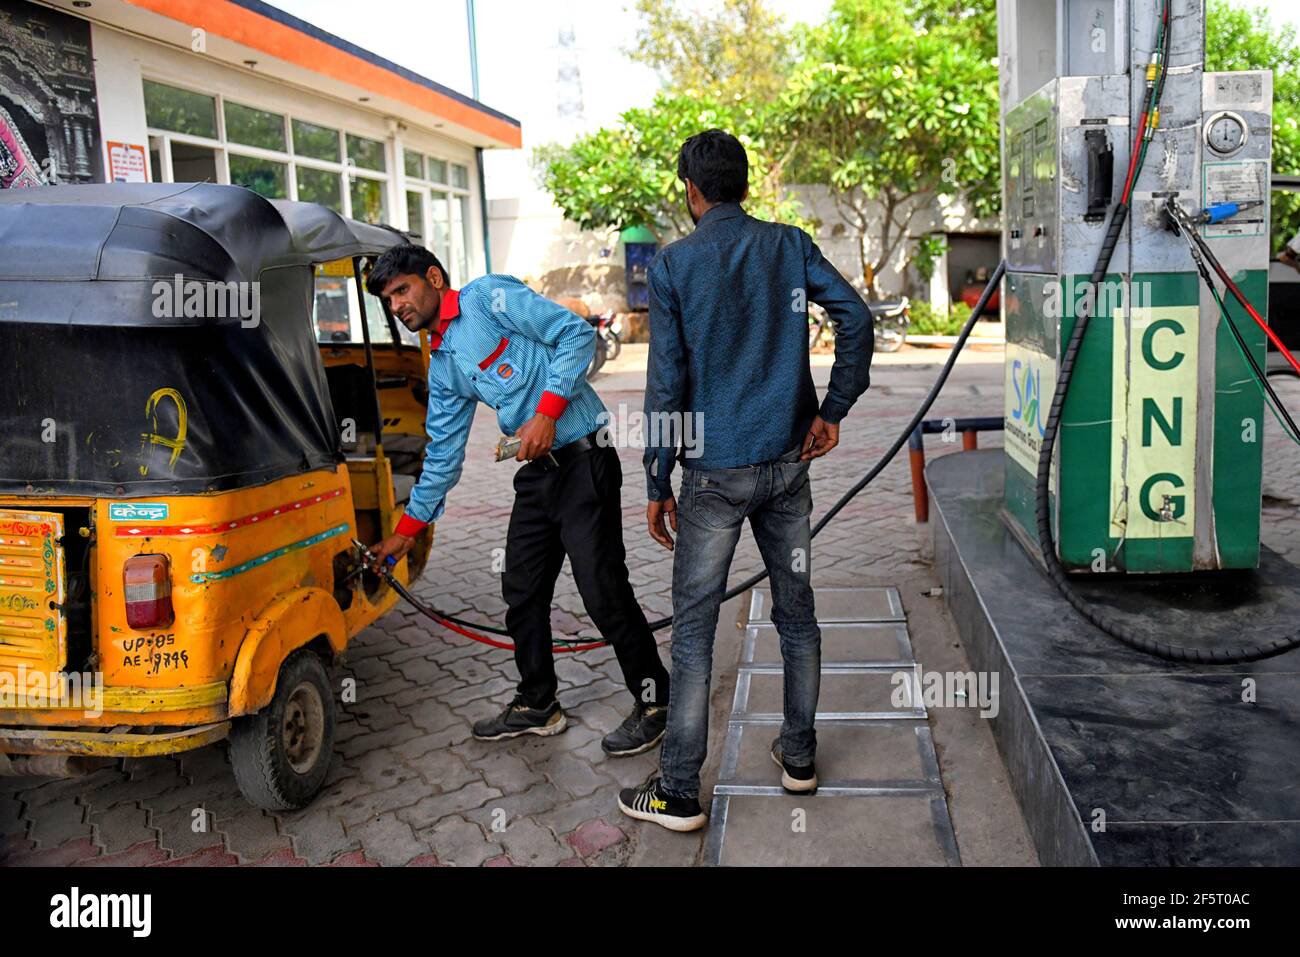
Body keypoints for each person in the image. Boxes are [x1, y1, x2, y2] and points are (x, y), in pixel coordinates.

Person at [617, 129, 873, 831]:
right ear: (744, 186)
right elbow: (855, 314)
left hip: (712, 479)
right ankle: (798, 758)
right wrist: (834, 408)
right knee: (797, 613)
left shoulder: (673, 266)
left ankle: (677, 791)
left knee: (695, 633)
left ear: (692, 193)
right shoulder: (788, 245)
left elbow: (666, 383)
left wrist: (653, 479)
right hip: (788, 467)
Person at [366, 246, 670, 756]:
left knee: (602, 590)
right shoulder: (441, 366)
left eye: (402, 290)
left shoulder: (489, 298)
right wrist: (402, 536)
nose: (396, 305)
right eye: (387, 299)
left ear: (434, 278)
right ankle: (538, 703)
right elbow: (442, 456)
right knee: (522, 589)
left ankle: (656, 701)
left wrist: (548, 412)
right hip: (538, 477)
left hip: (584, 458)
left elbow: (576, 335)